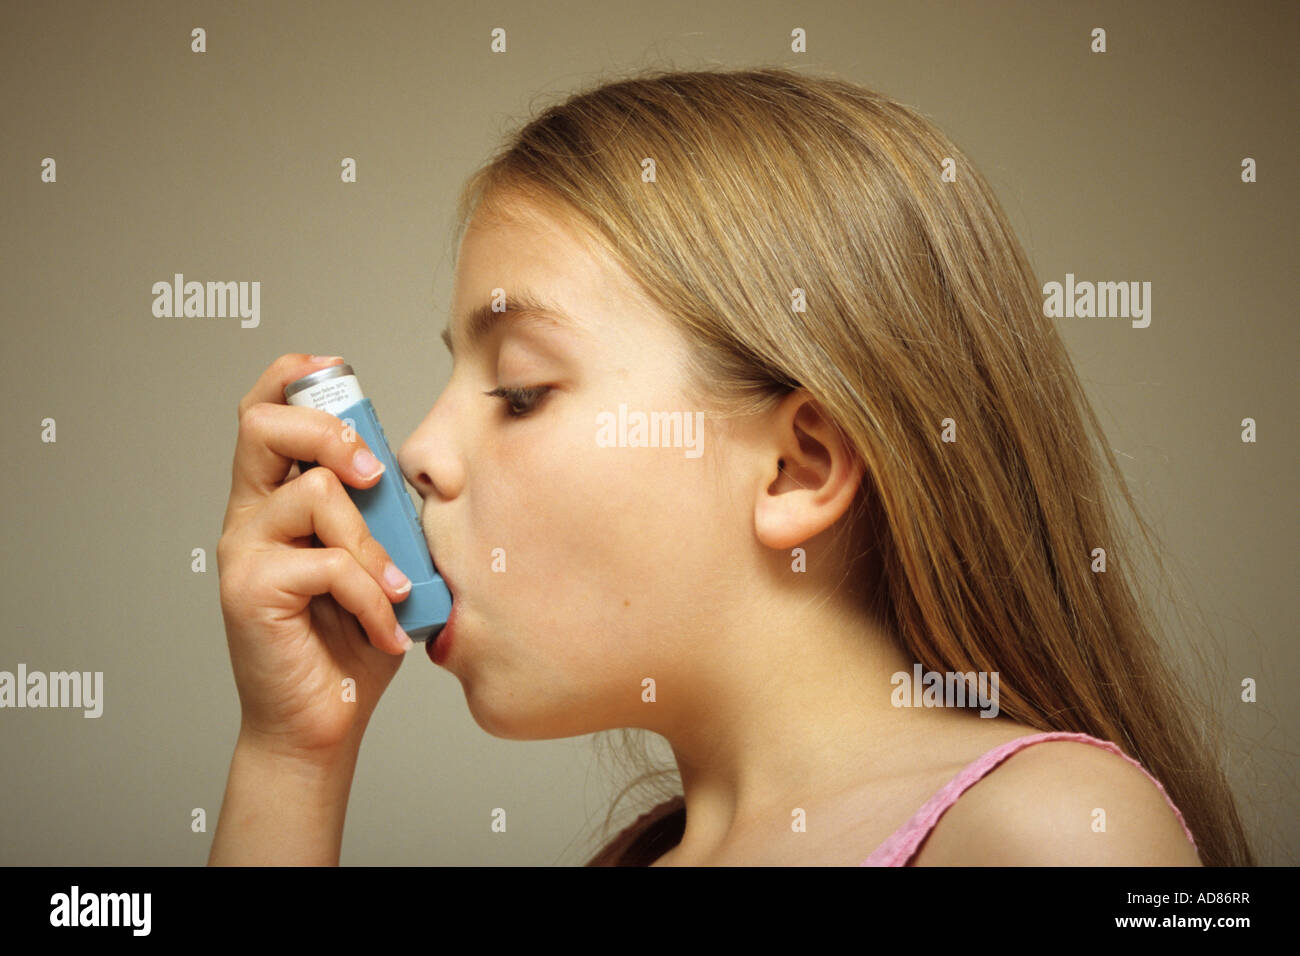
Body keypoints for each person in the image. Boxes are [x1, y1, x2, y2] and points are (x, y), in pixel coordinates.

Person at [208, 67, 1253, 866]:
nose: (420, 452)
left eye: (520, 390)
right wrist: (294, 756)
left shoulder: (1054, 832)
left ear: (797, 467)